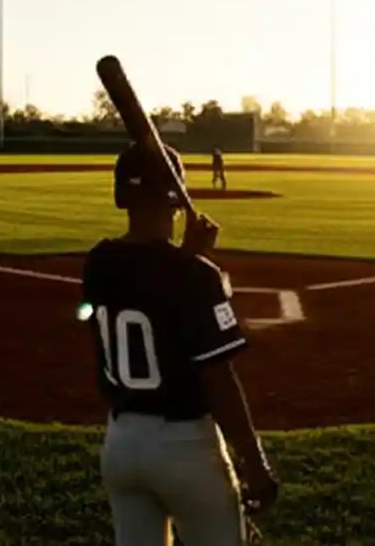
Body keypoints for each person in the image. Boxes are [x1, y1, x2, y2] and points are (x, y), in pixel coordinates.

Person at [82, 142, 278, 545]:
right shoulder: (193, 275)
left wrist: (190, 259)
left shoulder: (98, 262)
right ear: (175, 197)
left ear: (122, 195)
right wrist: (254, 464)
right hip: (185, 447)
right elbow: (218, 378)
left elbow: (150, 286)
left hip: (121, 446)